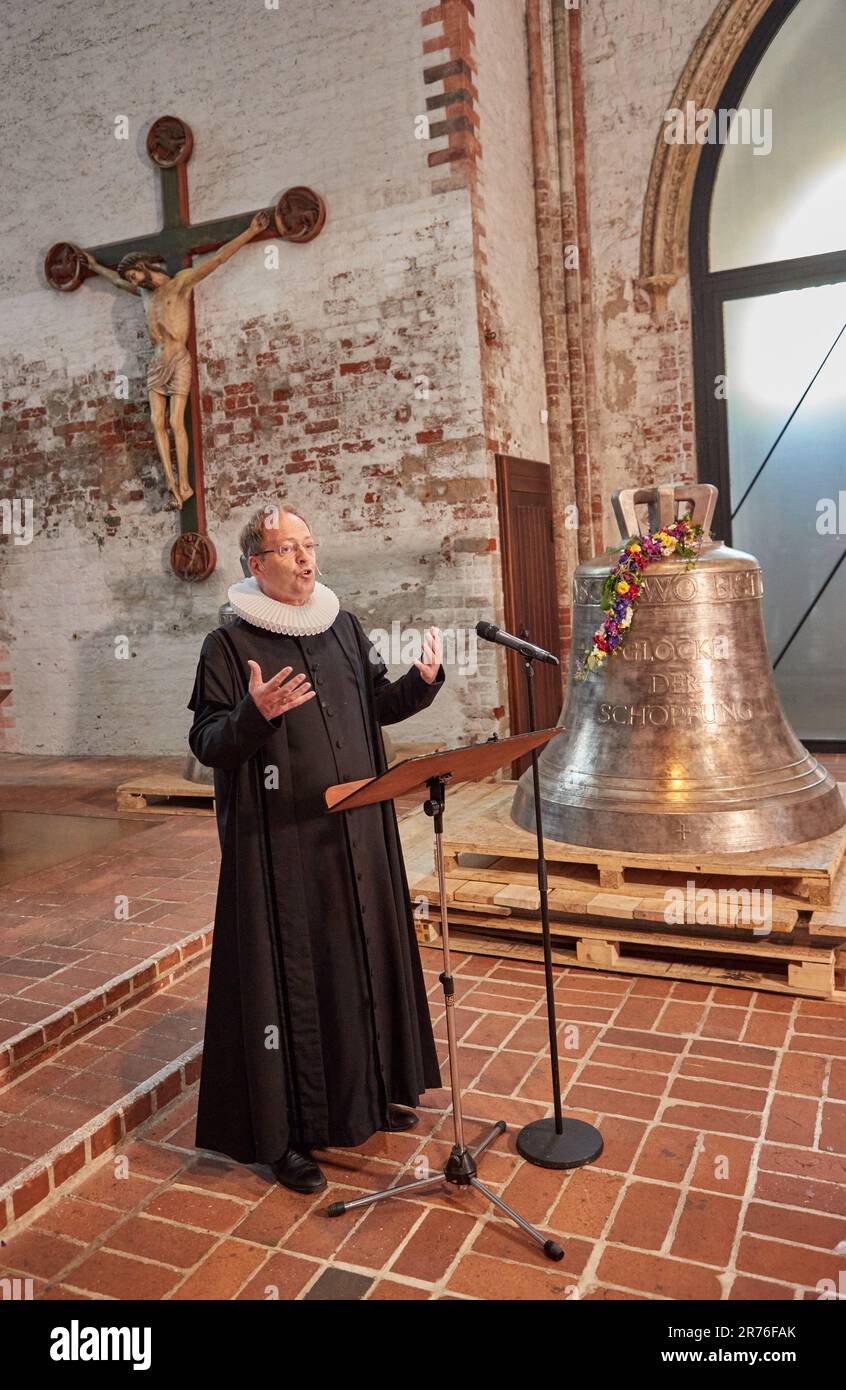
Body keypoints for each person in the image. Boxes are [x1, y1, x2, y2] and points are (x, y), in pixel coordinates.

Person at [187, 502, 445, 1192]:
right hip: (280, 851)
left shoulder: (343, 625)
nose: (306, 558)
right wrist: (254, 713)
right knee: (295, 986)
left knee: (354, 963)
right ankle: (284, 1136)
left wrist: (420, 685)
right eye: (289, 548)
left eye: (309, 545)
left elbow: (376, 707)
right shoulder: (228, 645)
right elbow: (208, 744)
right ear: (255, 565)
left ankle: (368, 1093)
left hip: (355, 836)